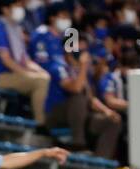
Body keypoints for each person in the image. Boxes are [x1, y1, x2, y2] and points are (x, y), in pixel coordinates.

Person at [31, 5, 122, 156]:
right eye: (75, 48)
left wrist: (106, 111)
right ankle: (78, 143)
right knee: (78, 97)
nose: (79, 52)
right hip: (55, 113)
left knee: (113, 121)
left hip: (79, 115)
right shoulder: (56, 65)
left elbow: (89, 96)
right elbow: (75, 89)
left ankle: (98, 166)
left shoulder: (76, 67)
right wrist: (84, 67)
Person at [0, 0, 51, 128]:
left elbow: (26, 60)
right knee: (41, 81)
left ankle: (42, 120)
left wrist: (41, 72)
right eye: (17, 5)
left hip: (15, 75)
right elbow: (6, 60)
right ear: (5, 9)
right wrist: (28, 74)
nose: (21, 9)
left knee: (46, 77)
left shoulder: (17, 29)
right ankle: (41, 124)